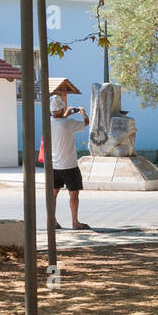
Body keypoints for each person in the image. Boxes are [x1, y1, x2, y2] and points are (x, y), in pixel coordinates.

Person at [48, 94, 90, 230]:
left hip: (53, 166)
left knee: (53, 194)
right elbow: (86, 123)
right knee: (74, 194)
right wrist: (83, 113)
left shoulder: (48, 123)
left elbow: (58, 121)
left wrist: (65, 114)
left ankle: (52, 221)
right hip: (69, 166)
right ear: (62, 109)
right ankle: (75, 222)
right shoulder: (70, 123)